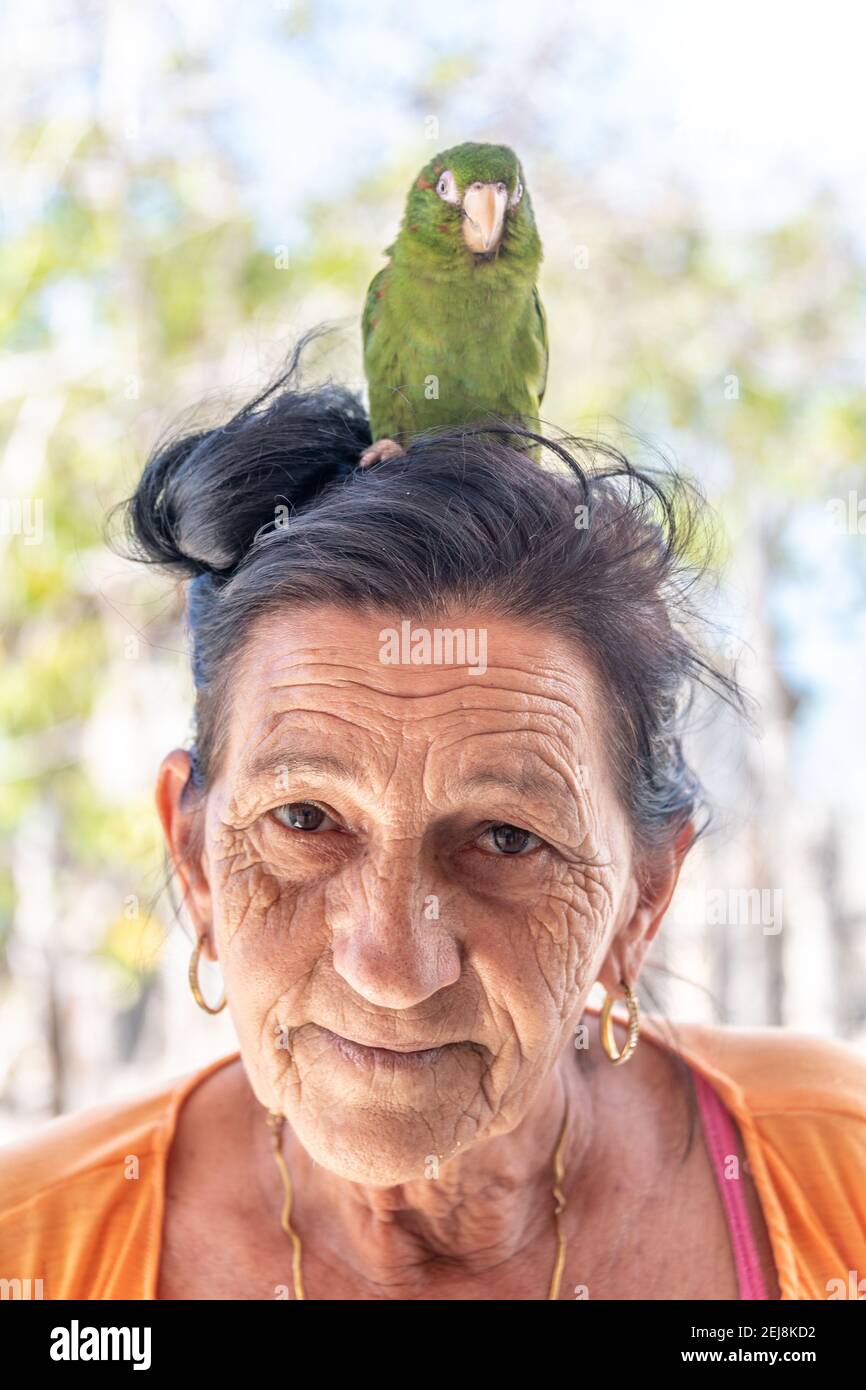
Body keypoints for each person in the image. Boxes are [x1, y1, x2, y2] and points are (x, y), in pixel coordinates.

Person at [1, 364, 864, 1301]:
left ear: (640, 900)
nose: (392, 965)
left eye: (505, 838)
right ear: (196, 859)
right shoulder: (35, 1254)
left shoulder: (836, 1180)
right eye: (304, 819)